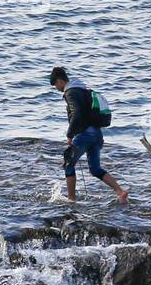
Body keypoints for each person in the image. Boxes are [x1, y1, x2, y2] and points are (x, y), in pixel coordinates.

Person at [50, 66, 128, 204]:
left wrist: (70, 134)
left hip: (85, 134)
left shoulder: (71, 92)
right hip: (97, 134)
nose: (56, 88)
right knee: (95, 169)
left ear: (60, 81)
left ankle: (71, 200)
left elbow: (77, 114)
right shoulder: (83, 90)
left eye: (55, 84)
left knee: (68, 163)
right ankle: (120, 192)